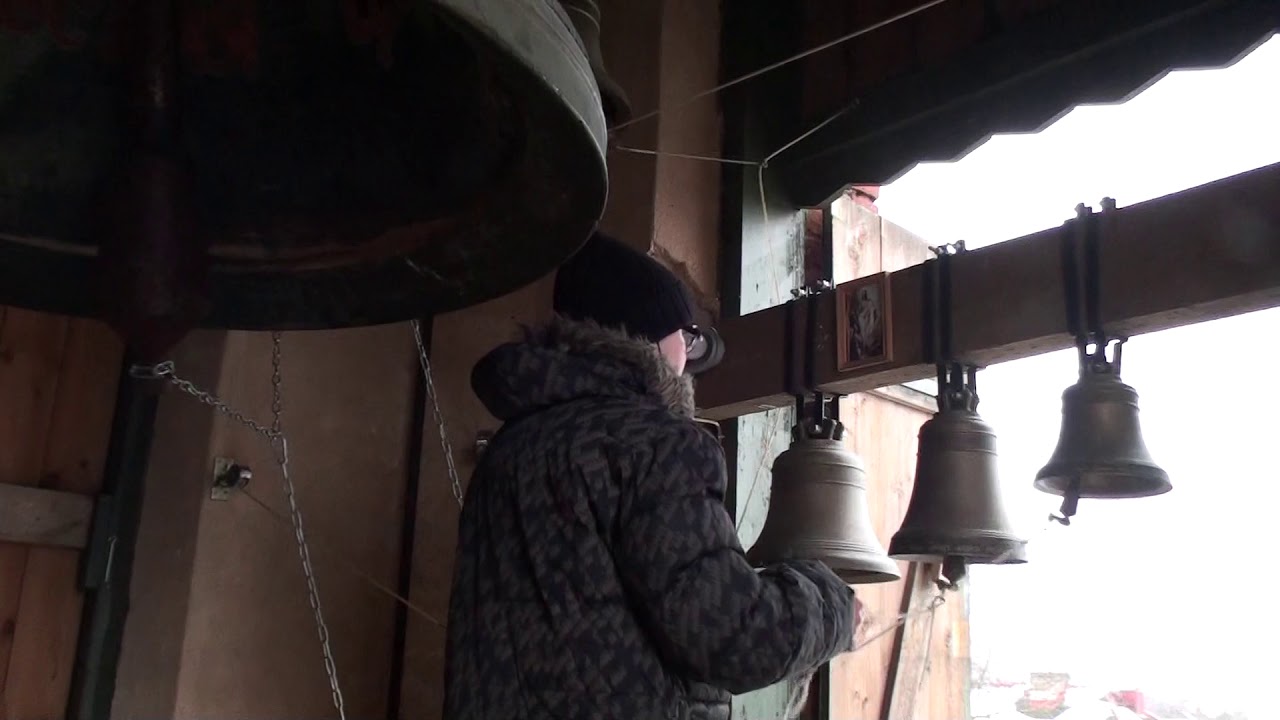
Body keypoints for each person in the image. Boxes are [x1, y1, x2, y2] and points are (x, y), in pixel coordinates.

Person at [444, 231, 861, 720]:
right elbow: (734, 635)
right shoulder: (655, 445)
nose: (688, 356)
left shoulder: (510, 450)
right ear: (650, 337)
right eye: (685, 336)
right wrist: (833, 607)